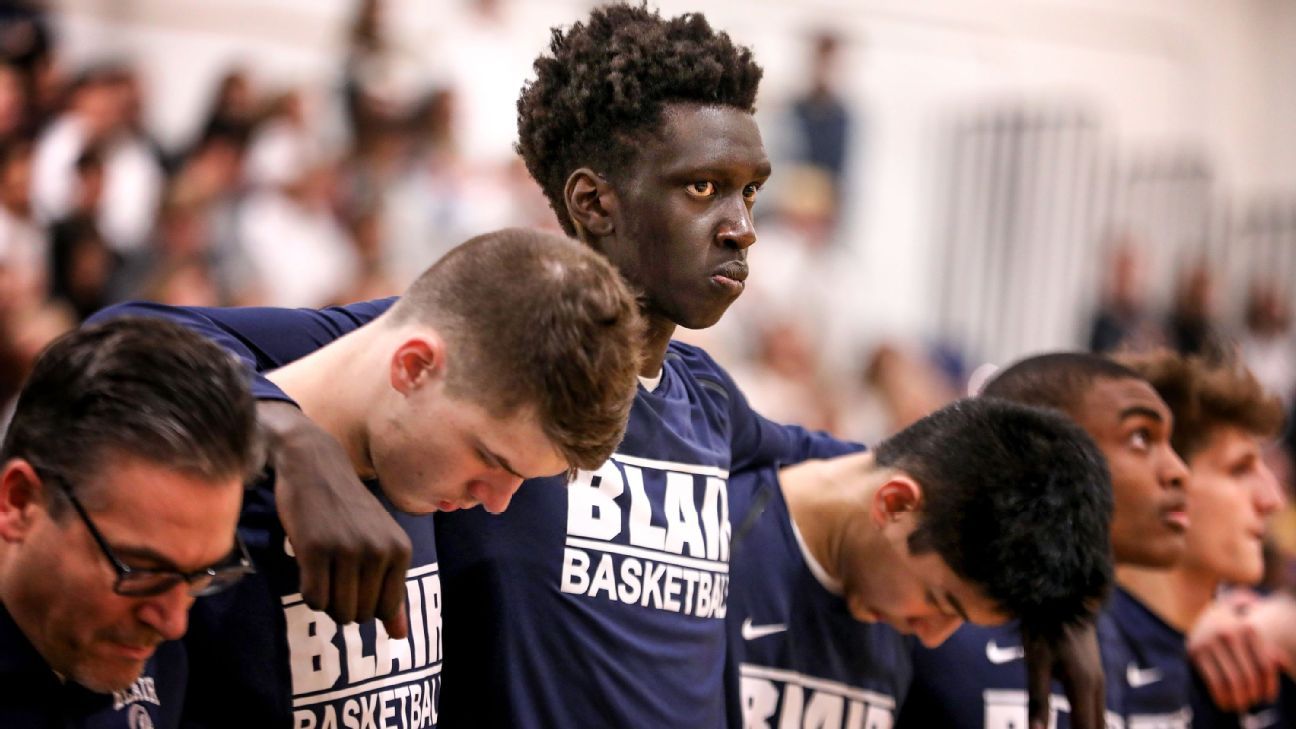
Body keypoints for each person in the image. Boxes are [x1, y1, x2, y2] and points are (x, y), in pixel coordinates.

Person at [103, 5, 1100, 727]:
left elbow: (891, 469)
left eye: (750, 192)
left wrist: (1041, 589)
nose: (742, 228)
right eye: (703, 188)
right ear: (594, 203)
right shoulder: (490, 353)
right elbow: (133, 335)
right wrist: (297, 448)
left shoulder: (710, 400)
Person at [96, 227, 643, 728]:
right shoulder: (203, 475)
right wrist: (299, 446)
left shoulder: (427, 377)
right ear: (413, 368)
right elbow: (112, 339)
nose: (497, 502)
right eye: (491, 458)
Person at [727, 397, 1113, 728]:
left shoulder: (915, 557)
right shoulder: (716, 526)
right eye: (939, 601)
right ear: (895, 505)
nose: (932, 636)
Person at [897, 352, 1192, 729]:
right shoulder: (915, 610)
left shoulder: (1136, 637)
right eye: (1140, 438)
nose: (1178, 471)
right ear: (1041, 454)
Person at [0, 316, 262, 726]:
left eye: (202, 574)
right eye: (141, 569)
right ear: (19, 502)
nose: (174, 624)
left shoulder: (146, 639)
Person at [1115, 351, 1289, 728]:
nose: (1272, 499)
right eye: (1239, 469)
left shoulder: (1256, 636)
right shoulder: (1076, 648)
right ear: (1164, 479)